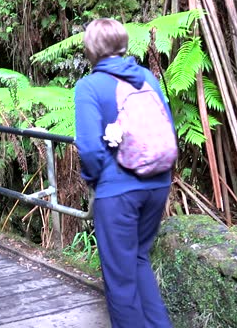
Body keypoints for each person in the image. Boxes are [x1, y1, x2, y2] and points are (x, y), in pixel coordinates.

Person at [73, 18, 174, 328]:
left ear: (90, 49)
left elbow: (90, 149)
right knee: (138, 259)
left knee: (119, 278)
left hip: (118, 193)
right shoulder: (146, 77)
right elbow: (167, 124)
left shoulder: (89, 86)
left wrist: (96, 179)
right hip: (157, 184)